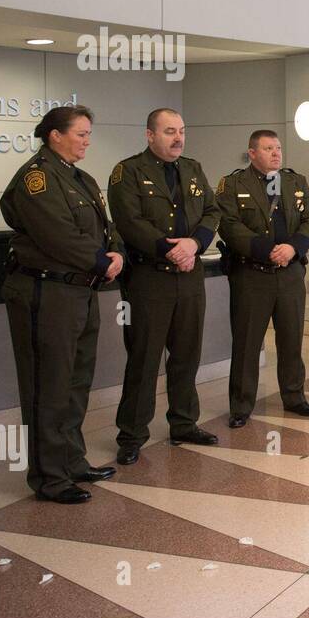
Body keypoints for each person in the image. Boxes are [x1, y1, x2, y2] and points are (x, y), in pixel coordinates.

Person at [0, 105, 124, 504]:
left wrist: (117, 252)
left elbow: (107, 229)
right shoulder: (37, 179)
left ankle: (71, 461)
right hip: (46, 293)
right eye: (81, 133)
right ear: (55, 135)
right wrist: (103, 262)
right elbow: (59, 236)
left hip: (80, 293)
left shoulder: (81, 179)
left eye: (89, 134)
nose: (88, 140)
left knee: (75, 383)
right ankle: (49, 478)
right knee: (47, 386)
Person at [108, 109, 221, 466]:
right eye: (170, 131)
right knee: (144, 358)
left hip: (189, 276)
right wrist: (172, 249)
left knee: (187, 354)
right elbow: (128, 221)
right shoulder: (127, 172)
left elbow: (212, 211)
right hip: (149, 278)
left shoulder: (192, 168)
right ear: (149, 135)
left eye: (182, 131)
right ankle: (132, 434)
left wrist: (194, 244)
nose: (178, 138)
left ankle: (184, 423)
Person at [216, 130, 309, 427]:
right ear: (252, 153)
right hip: (252, 274)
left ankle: (294, 396)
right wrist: (267, 250)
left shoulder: (295, 181)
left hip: (289, 272)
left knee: (291, 338)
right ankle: (241, 405)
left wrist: (293, 248)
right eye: (267, 148)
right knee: (247, 343)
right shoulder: (233, 184)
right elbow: (229, 225)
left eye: (278, 147)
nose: (276, 153)